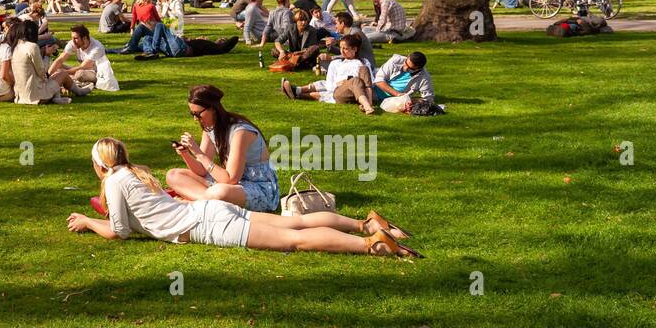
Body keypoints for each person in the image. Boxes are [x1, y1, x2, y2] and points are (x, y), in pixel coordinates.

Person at [70, 137, 418, 257]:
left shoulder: (115, 181)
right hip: (211, 209)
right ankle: (366, 223)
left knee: (292, 241)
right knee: (293, 223)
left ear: (100, 165)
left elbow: (119, 230)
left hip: (207, 225)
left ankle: (373, 244)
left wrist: (88, 220)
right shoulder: (136, 172)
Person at [164, 85, 280, 211]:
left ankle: (196, 203)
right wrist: (186, 154)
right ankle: (206, 202)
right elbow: (203, 170)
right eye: (192, 114)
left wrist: (199, 154)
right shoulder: (210, 128)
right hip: (229, 184)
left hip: (259, 188)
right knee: (173, 175)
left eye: (198, 114)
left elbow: (230, 179)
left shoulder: (240, 132)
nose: (195, 119)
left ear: (213, 109)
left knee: (219, 192)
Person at [283, 34, 376, 113]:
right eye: (340, 48)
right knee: (350, 81)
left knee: (363, 70)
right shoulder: (336, 63)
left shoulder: (363, 62)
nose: (342, 51)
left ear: (354, 49)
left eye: (346, 49)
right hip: (340, 92)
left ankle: (296, 92)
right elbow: (330, 86)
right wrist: (340, 83)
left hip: (358, 92)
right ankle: (367, 105)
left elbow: (370, 81)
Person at [11, 19, 74, 104]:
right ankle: (79, 92)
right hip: (37, 95)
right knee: (63, 74)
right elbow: (42, 72)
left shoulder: (17, 47)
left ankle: (58, 96)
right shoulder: (32, 46)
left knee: (54, 76)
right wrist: (47, 55)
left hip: (21, 95)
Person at [49, 24, 117, 93]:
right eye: (72, 38)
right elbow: (60, 60)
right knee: (56, 65)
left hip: (96, 73)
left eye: (75, 38)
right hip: (80, 70)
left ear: (84, 38)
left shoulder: (97, 48)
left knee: (79, 74)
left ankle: (74, 81)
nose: (73, 41)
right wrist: (48, 74)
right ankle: (71, 80)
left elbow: (83, 67)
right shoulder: (73, 43)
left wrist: (61, 74)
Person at [374, 51, 440, 114]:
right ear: (408, 57)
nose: (405, 68)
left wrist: (410, 101)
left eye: (410, 68)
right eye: (405, 63)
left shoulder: (424, 77)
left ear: (419, 68)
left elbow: (428, 98)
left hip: (395, 101)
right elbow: (378, 81)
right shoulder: (395, 60)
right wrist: (397, 94)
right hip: (373, 90)